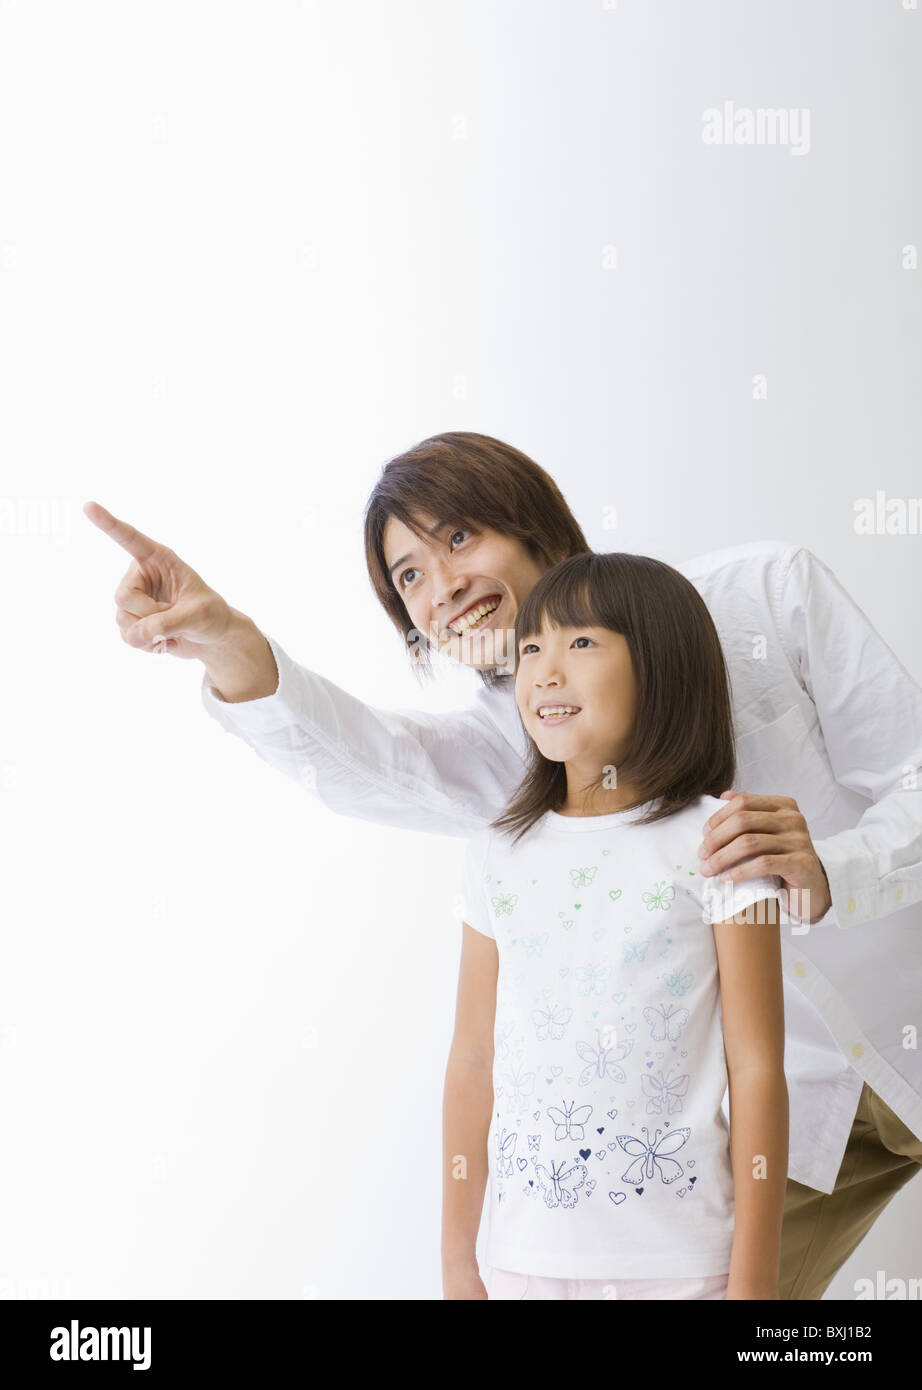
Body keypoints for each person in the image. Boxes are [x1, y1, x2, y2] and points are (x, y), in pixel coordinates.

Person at [84, 430, 922, 1299]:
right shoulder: (519, 757)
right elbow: (371, 760)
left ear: (542, 529)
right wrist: (227, 641)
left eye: (456, 537)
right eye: (406, 576)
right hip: (803, 1113)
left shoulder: (766, 593)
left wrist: (834, 872)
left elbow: (914, 771)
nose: (440, 588)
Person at [443, 551, 788, 1300]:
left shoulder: (724, 840)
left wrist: (755, 1284)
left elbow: (757, 1069)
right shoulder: (497, 852)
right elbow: (472, 1061)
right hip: (524, 1260)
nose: (545, 670)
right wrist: (457, 1262)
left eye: (582, 643)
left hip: (683, 1265)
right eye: (531, 647)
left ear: (660, 665)